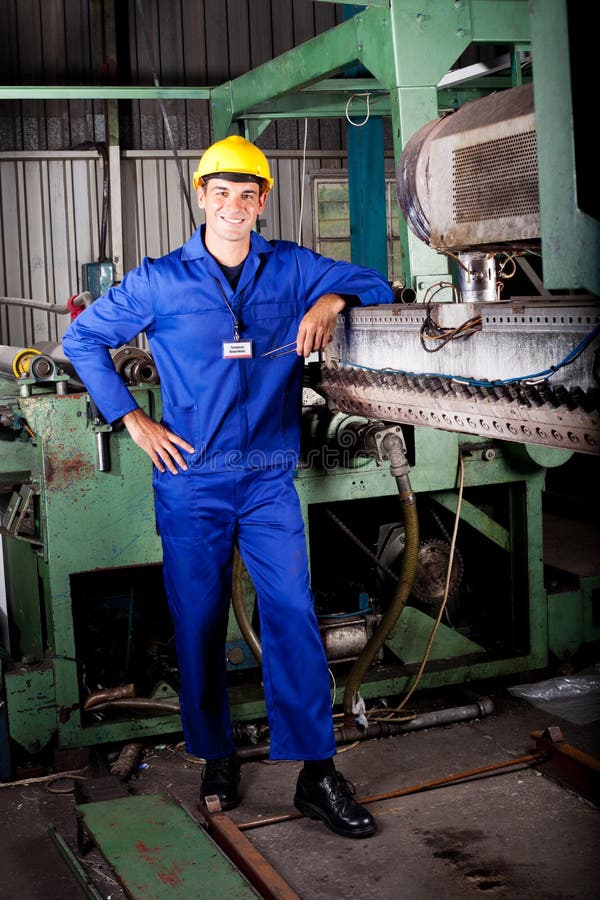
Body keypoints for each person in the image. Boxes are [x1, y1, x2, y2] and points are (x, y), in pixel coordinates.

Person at [63, 135, 394, 839]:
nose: (234, 206)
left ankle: (317, 773)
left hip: (269, 479)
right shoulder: (160, 280)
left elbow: (378, 282)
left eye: (247, 194)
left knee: (292, 616)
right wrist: (132, 420)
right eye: (222, 193)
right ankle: (215, 756)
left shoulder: (293, 267)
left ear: (262, 200)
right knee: (199, 622)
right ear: (202, 196)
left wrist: (331, 299)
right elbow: (83, 339)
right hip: (192, 481)